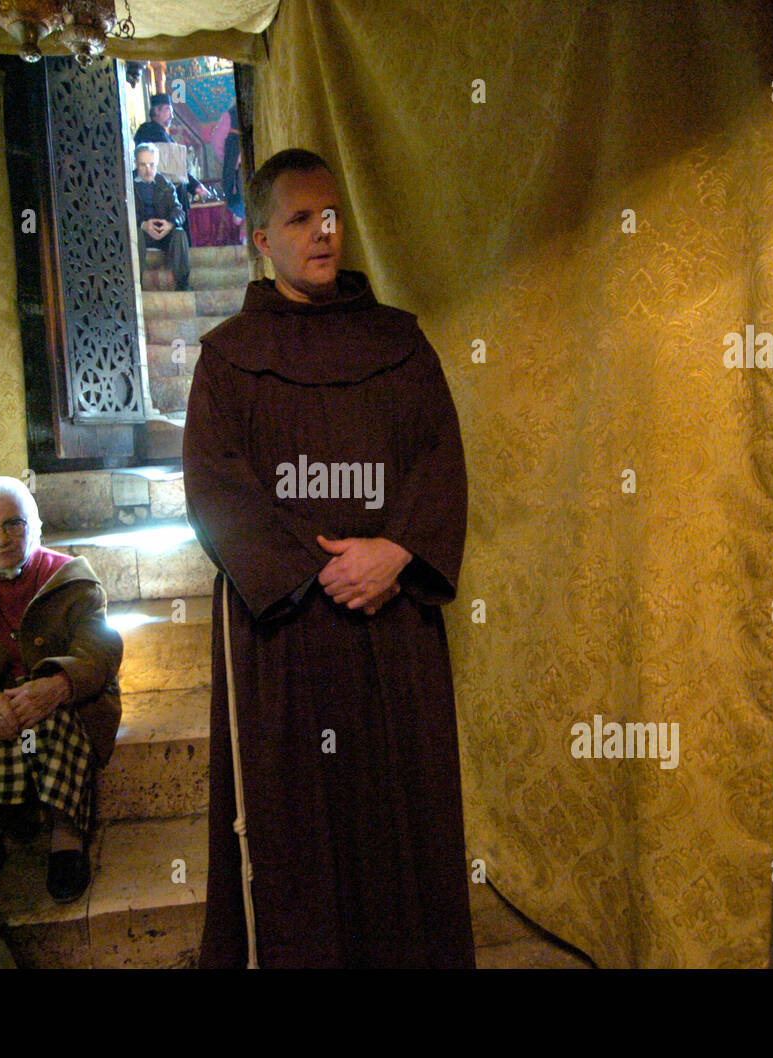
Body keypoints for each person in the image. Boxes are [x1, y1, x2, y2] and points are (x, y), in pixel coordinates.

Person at [183, 148, 474, 967]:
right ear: (261, 239)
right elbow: (214, 488)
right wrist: (312, 573)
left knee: (399, 821)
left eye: (332, 216)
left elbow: (439, 461)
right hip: (283, 639)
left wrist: (397, 552)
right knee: (293, 832)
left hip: (392, 627)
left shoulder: (402, 344)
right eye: (301, 218)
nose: (324, 232)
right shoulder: (227, 357)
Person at [0, 476, 122, 903]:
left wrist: (57, 685)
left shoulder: (73, 580)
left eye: (15, 524)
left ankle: (66, 835)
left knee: (50, 732)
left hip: (56, 698)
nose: (1, 538)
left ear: (37, 526)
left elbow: (100, 649)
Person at [133, 143, 191, 292]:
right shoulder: (128, 185)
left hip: (164, 232)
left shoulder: (166, 185)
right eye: (143, 165)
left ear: (157, 164)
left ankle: (182, 284)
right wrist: (143, 225)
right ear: (135, 164)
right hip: (142, 233)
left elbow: (179, 211)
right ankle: (135, 285)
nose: (148, 170)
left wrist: (170, 224)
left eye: (152, 165)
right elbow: (123, 214)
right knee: (135, 234)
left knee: (179, 233)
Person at [133, 92, 210, 202]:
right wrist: (195, 185)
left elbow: (176, 167)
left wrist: (195, 186)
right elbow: (172, 166)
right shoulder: (150, 131)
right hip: (163, 198)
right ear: (156, 111)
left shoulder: (163, 134)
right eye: (168, 110)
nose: (172, 116)